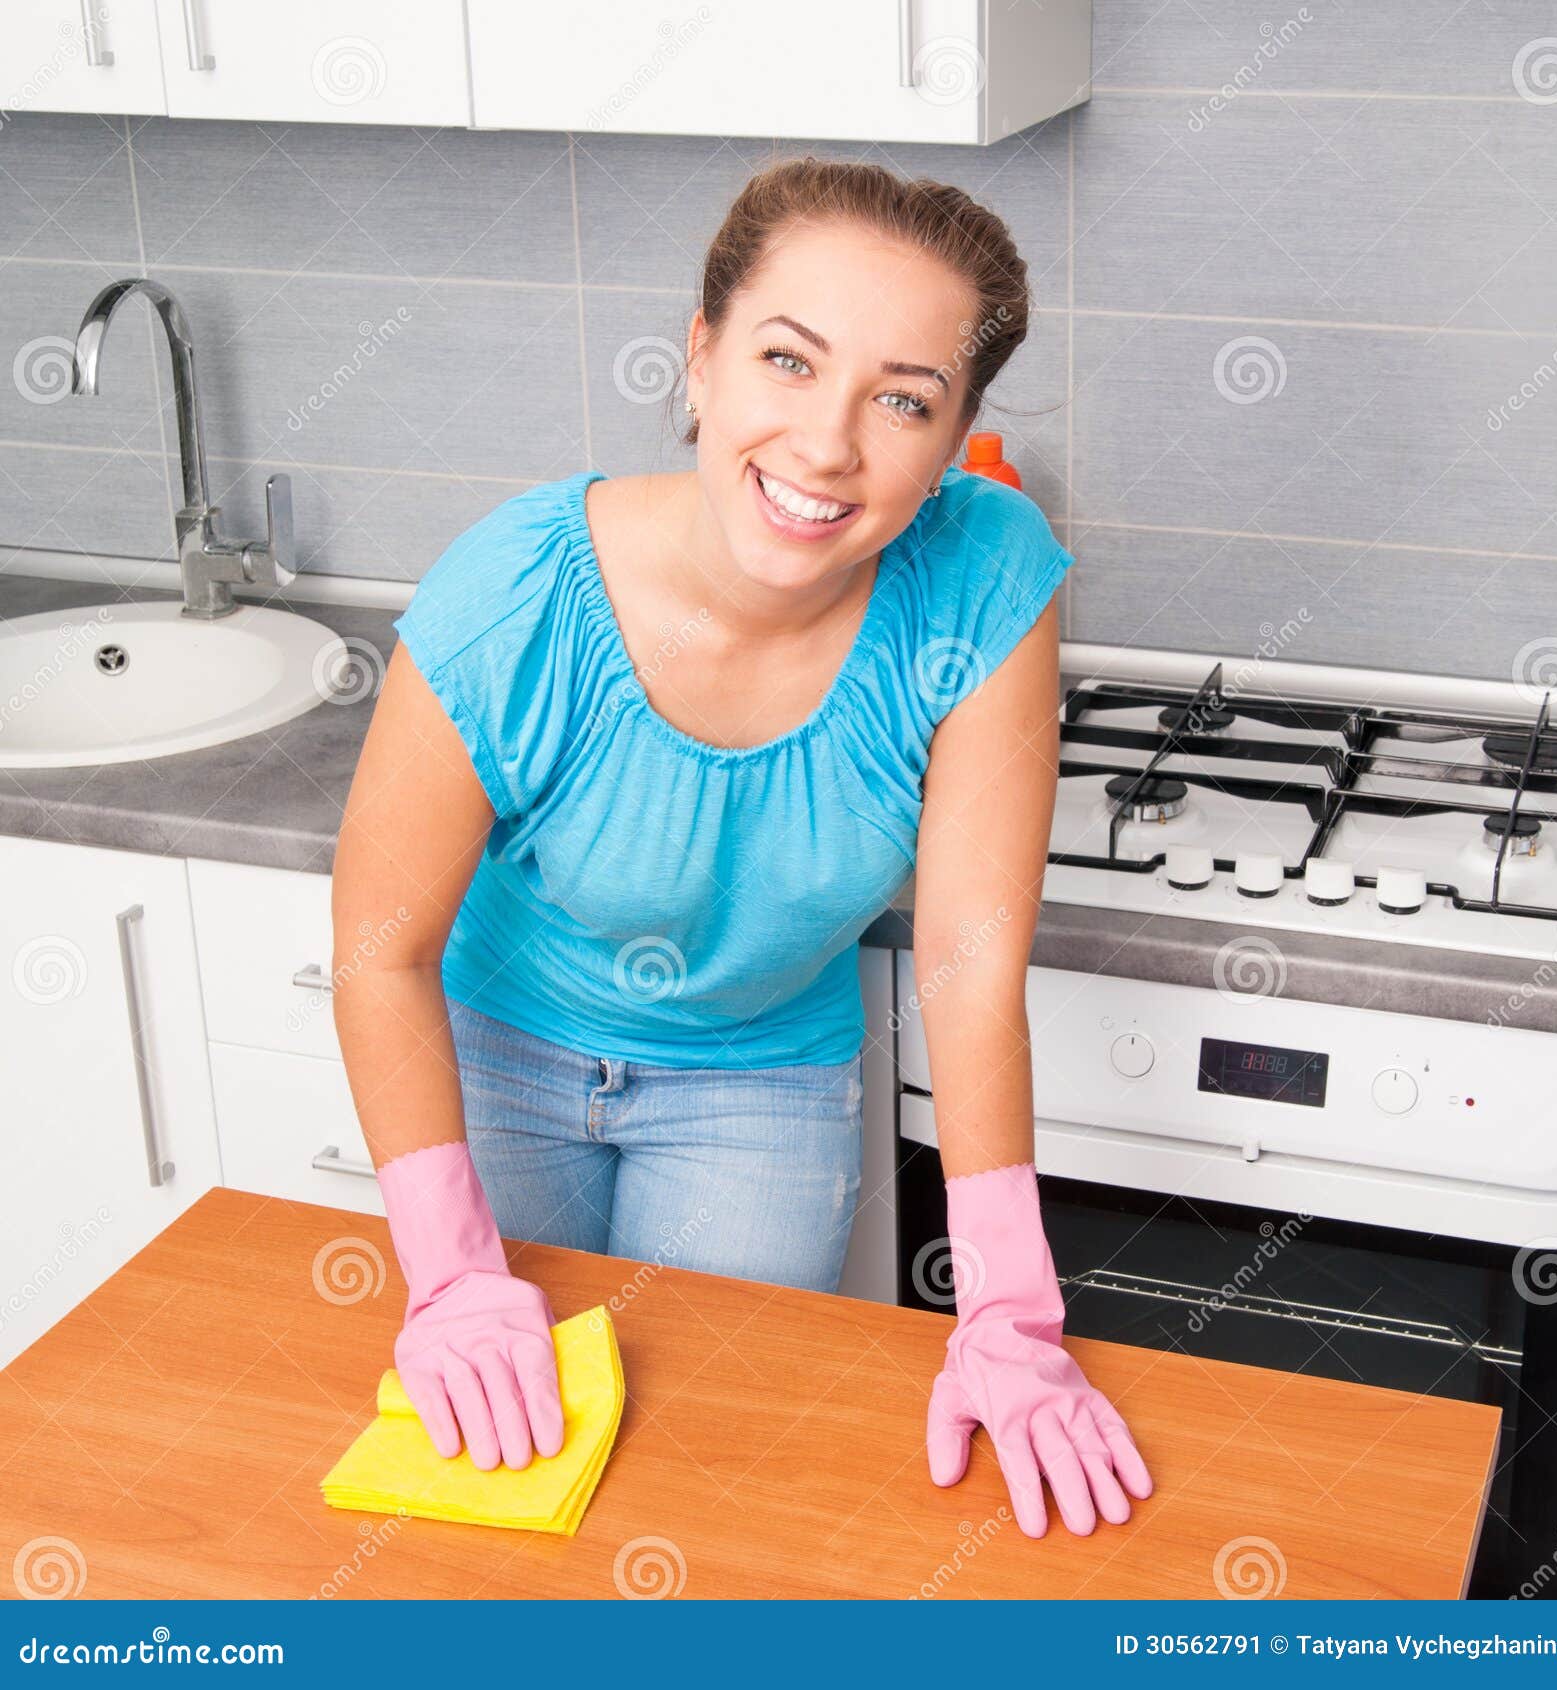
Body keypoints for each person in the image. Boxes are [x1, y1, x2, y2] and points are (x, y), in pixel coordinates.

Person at [330, 156, 1153, 1539]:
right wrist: (456, 1273)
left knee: (712, 1483)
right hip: (498, 1056)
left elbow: (962, 960)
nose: (829, 444)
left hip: (760, 1082)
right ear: (701, 361)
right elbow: (378, 946)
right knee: (486, 1492)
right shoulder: (515, 594)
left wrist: (1010, 1306)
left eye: (903, 398)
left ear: (956, 444)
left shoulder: (988, 573)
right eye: (788, 360)